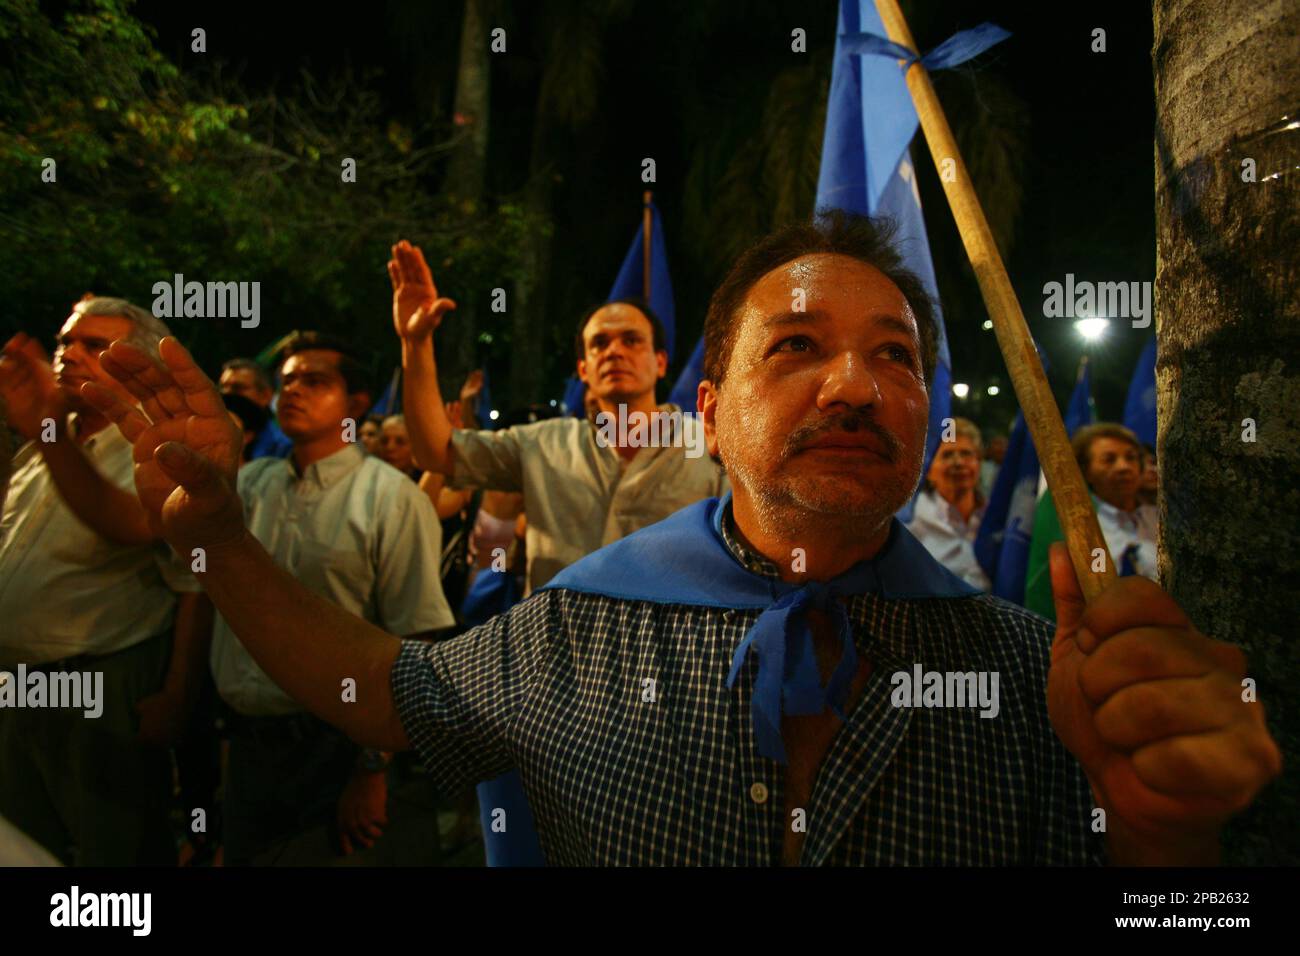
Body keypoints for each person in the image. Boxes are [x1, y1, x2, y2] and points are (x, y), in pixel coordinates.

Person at [88, 211, 1280, 866]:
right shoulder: (574, 628)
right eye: (797, 347)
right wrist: (226, 545)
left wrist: (1165, 838)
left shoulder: (1045, 687)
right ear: (708, 413)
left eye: (897, 356)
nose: (856, 386)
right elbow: (382, 693)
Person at [204, 331, 456, 864]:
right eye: (287, 381)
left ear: (356, 404)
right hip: (247, 747)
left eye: (315, 381)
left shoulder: (391, 498)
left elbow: (415, 640)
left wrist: (371, 770)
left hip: (336, 747)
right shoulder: (250, 485)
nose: (292, 391)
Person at [389, 242, 728, 594]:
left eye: (631, 340)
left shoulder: (710, 445)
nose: (614, 351)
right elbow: (434, 452)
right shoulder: (540, 443)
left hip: (673, 646)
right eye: (599, 343)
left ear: (660, 362)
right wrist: (416, 343)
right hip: (555, 646)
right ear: (584, 369)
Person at [0, 297, 206, 865]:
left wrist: (177, 692)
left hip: (100, 682)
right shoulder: (42, 444)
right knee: (24, 849)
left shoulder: (162, 448)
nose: (70, 355)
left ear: (141, 368)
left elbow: (146, 542)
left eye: (95, 346)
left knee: (113, 856)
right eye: (66, 341)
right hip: (17, 683)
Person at [1024, 423, 1160, 621]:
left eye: (1131, 457)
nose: (1124, 467)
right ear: (1086, 472)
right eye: (1109, 460)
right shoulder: (1080, 528)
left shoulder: (1158, 520)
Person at [905, 417, 989, 590]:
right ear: (928, 471)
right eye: (947, 455)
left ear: (979, 463)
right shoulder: (910, 523)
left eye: (966, 454)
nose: (958, 463)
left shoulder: (998, 518)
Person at [219, 357, 292, 459]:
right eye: (223, 387)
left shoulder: (282, 447)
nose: (227, 394)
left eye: (238, 388)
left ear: (265, 396)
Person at [979, 432, 1007, 498]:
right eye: (997, 444)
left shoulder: (1014, 470)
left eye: (1003, 444)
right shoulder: (981, 468)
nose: (1001, 448)